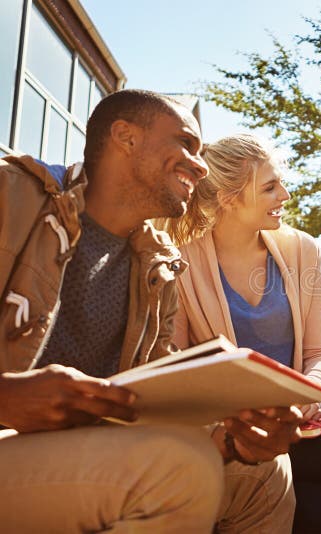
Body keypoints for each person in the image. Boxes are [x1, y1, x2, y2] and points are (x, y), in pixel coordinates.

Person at [0, 89, 301, 533]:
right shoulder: (11, 195)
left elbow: (144, 404)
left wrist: (234, 440)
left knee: (265, 476)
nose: (200, 166)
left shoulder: (157, 264)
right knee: (180, 469)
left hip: (84, 446)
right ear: (125, 137)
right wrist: (8, 397)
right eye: (186, 144)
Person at [164, 133, 321, 534]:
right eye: (270, 187)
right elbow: (174, 362)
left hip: (294, 425)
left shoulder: (302, 250)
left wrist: (308, 395)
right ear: (228, 198)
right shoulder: (180, 260)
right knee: (311, 511)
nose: (286, 194)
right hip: (230, 434)